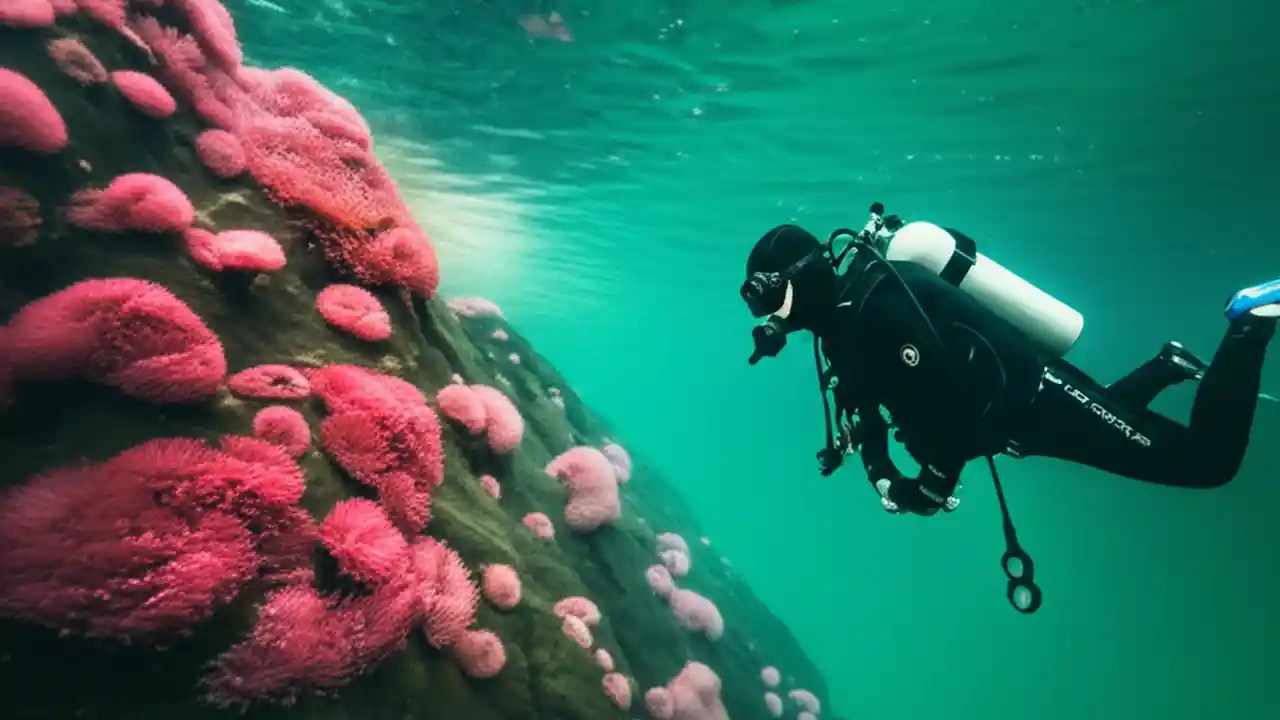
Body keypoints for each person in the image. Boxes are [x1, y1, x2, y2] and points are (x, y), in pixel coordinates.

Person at [740, 206, 1279, 611]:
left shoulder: (877, 309)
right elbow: (860, 407)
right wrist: (885, 478)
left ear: (800, 279)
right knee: (1109, 424)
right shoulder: (839, 326)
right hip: (1019, 423)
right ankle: (1168, 364)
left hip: (1037, 397)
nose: (766, 311)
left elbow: (945, 405)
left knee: (1205, 462)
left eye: (767, 294)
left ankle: (1251, 320)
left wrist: (931, 483)